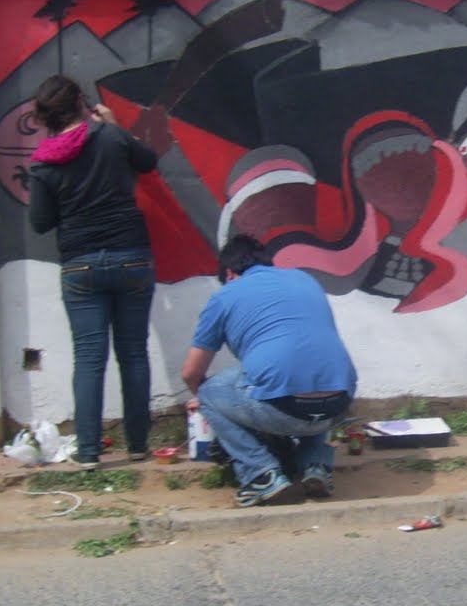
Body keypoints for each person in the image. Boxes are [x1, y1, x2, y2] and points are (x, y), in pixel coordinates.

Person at [28, 74, 159, 468]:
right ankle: (137, 446)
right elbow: (148, 161)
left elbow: (40, 222)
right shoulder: (110, 136)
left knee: (89, 359)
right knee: (133, 354)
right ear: (83, 104)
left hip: (80, 265)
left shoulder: (44, 162)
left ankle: (88, 452)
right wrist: (114, 126)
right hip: (132, 258)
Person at [182, 235, 358, 507]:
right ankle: (316, 466)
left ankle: (261, 475)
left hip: (283, 408)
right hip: (339, 403)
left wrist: (205, 401)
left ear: (230, 273)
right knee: (312, 379)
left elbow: (191, 373)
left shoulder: (225, 296)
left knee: (208, 393)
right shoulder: (305, 280)